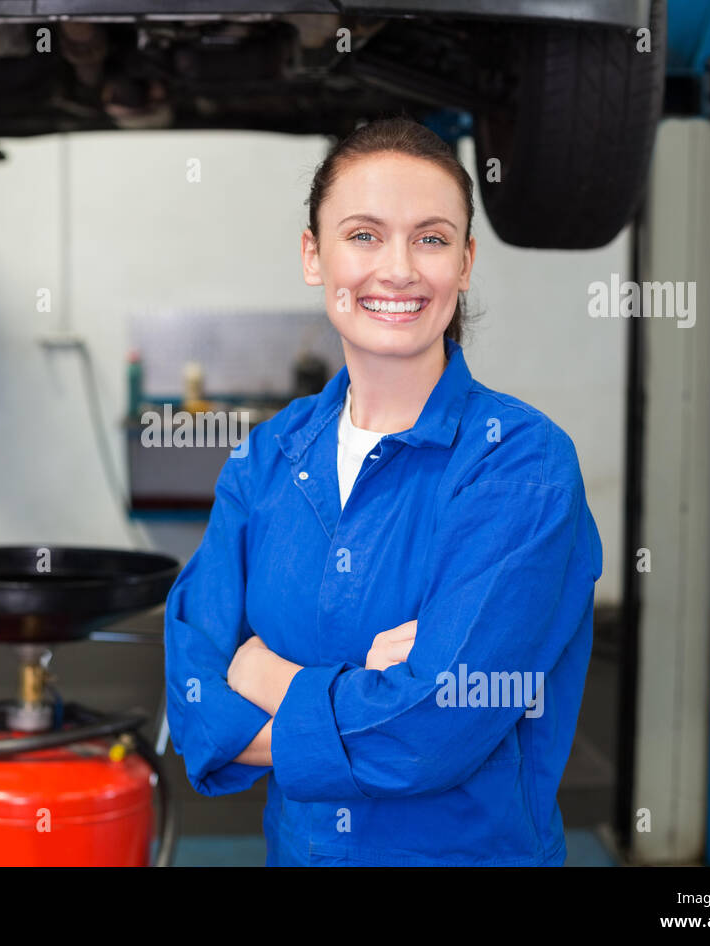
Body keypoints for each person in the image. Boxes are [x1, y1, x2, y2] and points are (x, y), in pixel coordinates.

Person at [163, 114, 604, 866]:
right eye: (363, 235)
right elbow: (195, 692)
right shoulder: (268, 458)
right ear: (314, 255)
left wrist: (268, 672)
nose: (397, 269)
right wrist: (370, 691)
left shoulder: (521, 467)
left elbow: (435, 730)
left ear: (464, 263)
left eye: (430, 239)